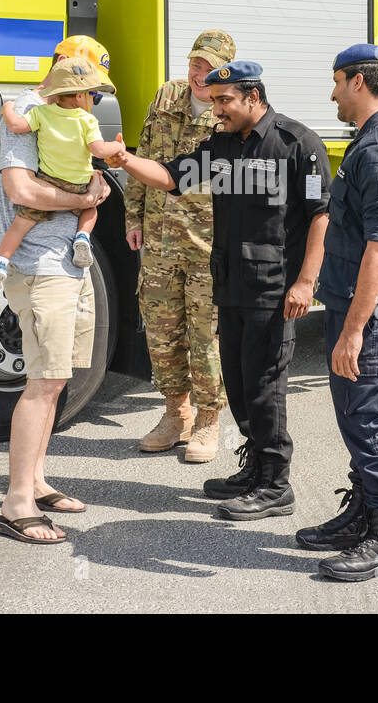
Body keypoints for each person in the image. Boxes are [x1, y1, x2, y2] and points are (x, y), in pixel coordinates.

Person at [110, 61, 330, 519]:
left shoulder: (297, 144)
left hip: (274, 290)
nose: (216, 111)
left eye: (224, 101)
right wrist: (125, 160)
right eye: (213, 102)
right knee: (238, 379)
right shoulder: (222, 145)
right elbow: (171, 177)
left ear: (253, 97)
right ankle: (253, 471)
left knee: (266, 386)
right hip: (228, 284)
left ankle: (275, 485)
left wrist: (306, 283)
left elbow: (320, 216)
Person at [297, 43, 378, 580]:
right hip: (356, 308)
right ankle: (363, 516)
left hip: (370, 316)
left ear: (356, 82)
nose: (331, 93)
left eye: (335, 82)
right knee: (356, 420)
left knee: (370, 425)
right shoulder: (377, 139)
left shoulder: (377, 151)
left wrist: (353, 332)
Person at [0, 45, 111, 545]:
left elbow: (92, 168)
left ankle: (35, 480)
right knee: (42, 382)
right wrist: (82, 200)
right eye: (90, 88)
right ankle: (16, 502)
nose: (93, 99)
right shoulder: (30, 111)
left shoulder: (68, 114)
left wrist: (95, 185)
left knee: (56, 379)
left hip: (67, 263)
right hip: (41, 268)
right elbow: (22, 191)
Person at [125, 29, 236, 464]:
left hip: (207, 243)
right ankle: (176, 414)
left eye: (209, 68)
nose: (199, 74)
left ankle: (209, 419)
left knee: (205, 333)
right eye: (195, 63)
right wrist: (133, 217)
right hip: (158, 238)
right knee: (161, 329)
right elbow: (142, 158)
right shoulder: (167, 96)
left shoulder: (230, 108)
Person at [0, 57, 122, 286]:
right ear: (79, 95)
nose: (94, 102)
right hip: (78, 182)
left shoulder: (41, 113)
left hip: (47, 182)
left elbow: (16, 126)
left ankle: (0, 263)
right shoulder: (88, 120)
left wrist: (7, 109)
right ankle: (83, 238)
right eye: (93, 95)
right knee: (91, 209)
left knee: (20, 224)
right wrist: (118, 147)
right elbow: (98, 150)